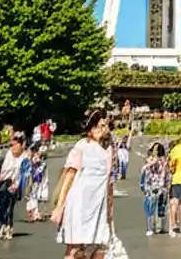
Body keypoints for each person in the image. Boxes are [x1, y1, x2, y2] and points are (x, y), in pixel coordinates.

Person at [51, 111, 114, 259]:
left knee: (99, 248)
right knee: (74, 248)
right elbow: (69, 175)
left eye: (104, 126)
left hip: (98, 205)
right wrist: (60, 206)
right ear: (90, 129)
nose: (101, 129)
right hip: (79, 205)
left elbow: (108, 183)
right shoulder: (82, 146)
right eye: (98, 126)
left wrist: (110, 212)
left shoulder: (108, 152)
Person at [0, 131, 28, 241]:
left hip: (14, 185)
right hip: (3, 182)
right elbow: (5, 170)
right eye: (11, 145)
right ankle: (1, 225)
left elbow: (23, 174)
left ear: (20, 145)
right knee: (0, 205)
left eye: (14, 144)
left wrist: (16, 185)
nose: (12, 147)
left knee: (10, 207)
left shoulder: (24, 157)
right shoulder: (8, 154)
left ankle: (9, 227)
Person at [139, 142, 170, 236]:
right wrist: (166, 186)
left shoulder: (150, 160)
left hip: (151, 186)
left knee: (151, 208)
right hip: (159, 186)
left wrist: (142, 185)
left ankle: (151, 228)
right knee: (160, 207)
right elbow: (165, 174)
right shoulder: (163, 161)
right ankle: (159, 227)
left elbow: (144, 171)